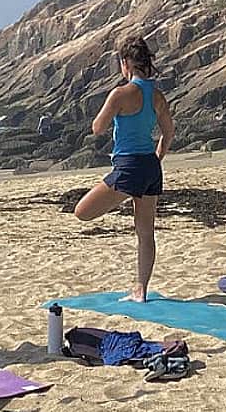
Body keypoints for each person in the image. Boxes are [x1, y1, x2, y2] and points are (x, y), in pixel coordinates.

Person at [74, 35, 174, 303]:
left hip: (129, 165)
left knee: (81, 212)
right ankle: (140, 289)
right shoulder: (158, 95)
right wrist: (157, 158)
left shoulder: (120, 94)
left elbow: (98, 128)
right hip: (150, 166)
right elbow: (168, 133)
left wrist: (113, 107)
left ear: (126, 62)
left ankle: (123, 195)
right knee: (145, 232)